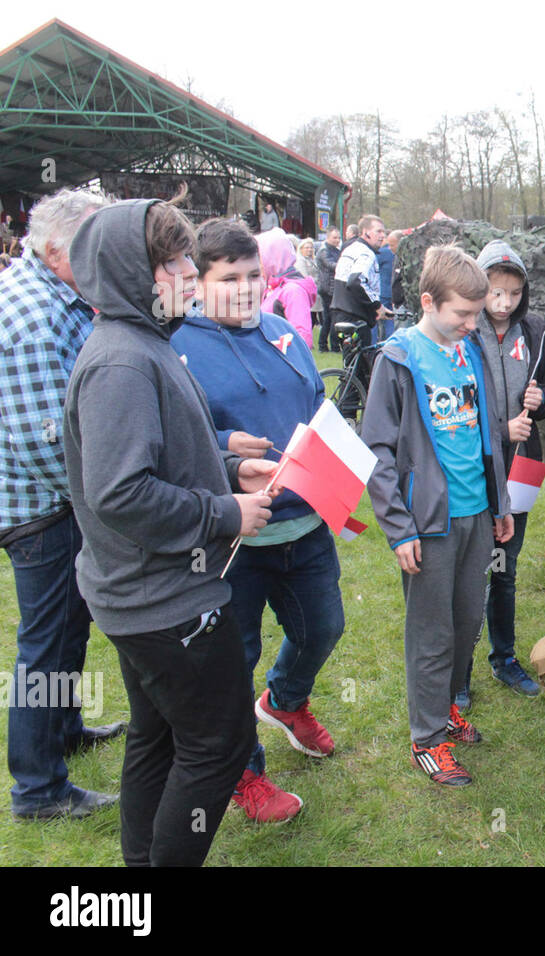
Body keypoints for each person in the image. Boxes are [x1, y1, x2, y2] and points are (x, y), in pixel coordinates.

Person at [63, 196, 280, 866]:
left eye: (187, 256)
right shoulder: (123, 361)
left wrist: (230, 468)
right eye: (173, 259)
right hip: (166, 604)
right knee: (216, 748)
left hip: (145, 598)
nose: (189, 271)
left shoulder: (143, 344)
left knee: (156, 741)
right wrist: (222, 513)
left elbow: (163, 454)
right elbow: (121, 493)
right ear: (133, 271)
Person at [170, 217, 346, 823]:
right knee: (232, 660)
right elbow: (171, 442)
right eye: (228, 278)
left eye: (253, 276)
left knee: (324, 628)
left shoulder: (282, 333)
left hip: (305, 525)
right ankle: (244, 773)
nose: (245, 289)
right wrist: (224, 449)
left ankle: (287, 701)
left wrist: (343, 485)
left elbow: (317, 411)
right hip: (233, 538)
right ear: (198, 280)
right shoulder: (176, 346)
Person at [362, 245, 513, 788]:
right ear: (428, 301)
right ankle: (427, 740)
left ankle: (446, 707)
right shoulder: (398, 359)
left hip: (477, 516)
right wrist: (399, 527)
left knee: (465, 622)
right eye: (463, 315)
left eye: (477, 314)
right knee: (431, 634)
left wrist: (500, 504)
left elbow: (487, 433)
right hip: (429, 525)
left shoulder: (466, 350)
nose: (474, 325)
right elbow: (375, 450)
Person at [0, 187, 123, 822]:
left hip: (61, 503)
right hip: (41, 511)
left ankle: (66, 729)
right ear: (55, 249)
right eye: (91, 245)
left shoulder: (60, 295)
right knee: (44, 643)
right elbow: (45, 439)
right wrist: (105, 503)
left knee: (71, 628)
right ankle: (37, 787)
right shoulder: (30, 315)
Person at [455, 240, 545, 709]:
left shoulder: (535, 331)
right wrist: (500, 428)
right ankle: (457, 673)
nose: (503, 304)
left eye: (514, 293)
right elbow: (451, 408)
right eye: (495, 293)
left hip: (521, 467)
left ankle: (504, 659)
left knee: (505, 567)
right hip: (471, 467)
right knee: (467, 571)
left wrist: (544, 403)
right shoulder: (461, 330)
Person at [331, 215, 390, 348]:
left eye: (384, 232)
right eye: (378, 231)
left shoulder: (351, 249)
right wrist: (377, 306)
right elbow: (356, 281)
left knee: (350, 363)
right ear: (365, 232)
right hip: (355, 320)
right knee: (363, 364)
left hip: (339, 315)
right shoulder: (366, 253)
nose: (382, 236)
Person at [257, 229, 317, 344]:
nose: (256, 264)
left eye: (259, 258)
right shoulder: (272, 287)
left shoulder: (293, 291)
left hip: (278, 359)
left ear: (272, 257)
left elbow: (301, 337)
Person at [315, 227, 342, 352]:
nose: (337, 240)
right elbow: (331, 265)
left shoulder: (336, 250)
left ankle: (326, 345)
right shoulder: (324, 251)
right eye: (334, 237)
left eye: (338, 237)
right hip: (327, 289)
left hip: (334, 288)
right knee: (330, 318)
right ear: (328, 237)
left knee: (330, 318)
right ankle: (328, 345)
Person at [376, 231, 399, 341]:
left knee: (381, 321)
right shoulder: (395, 253)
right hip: (393, 292)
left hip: (384, 292)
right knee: (391, 321)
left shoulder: (382, 253)